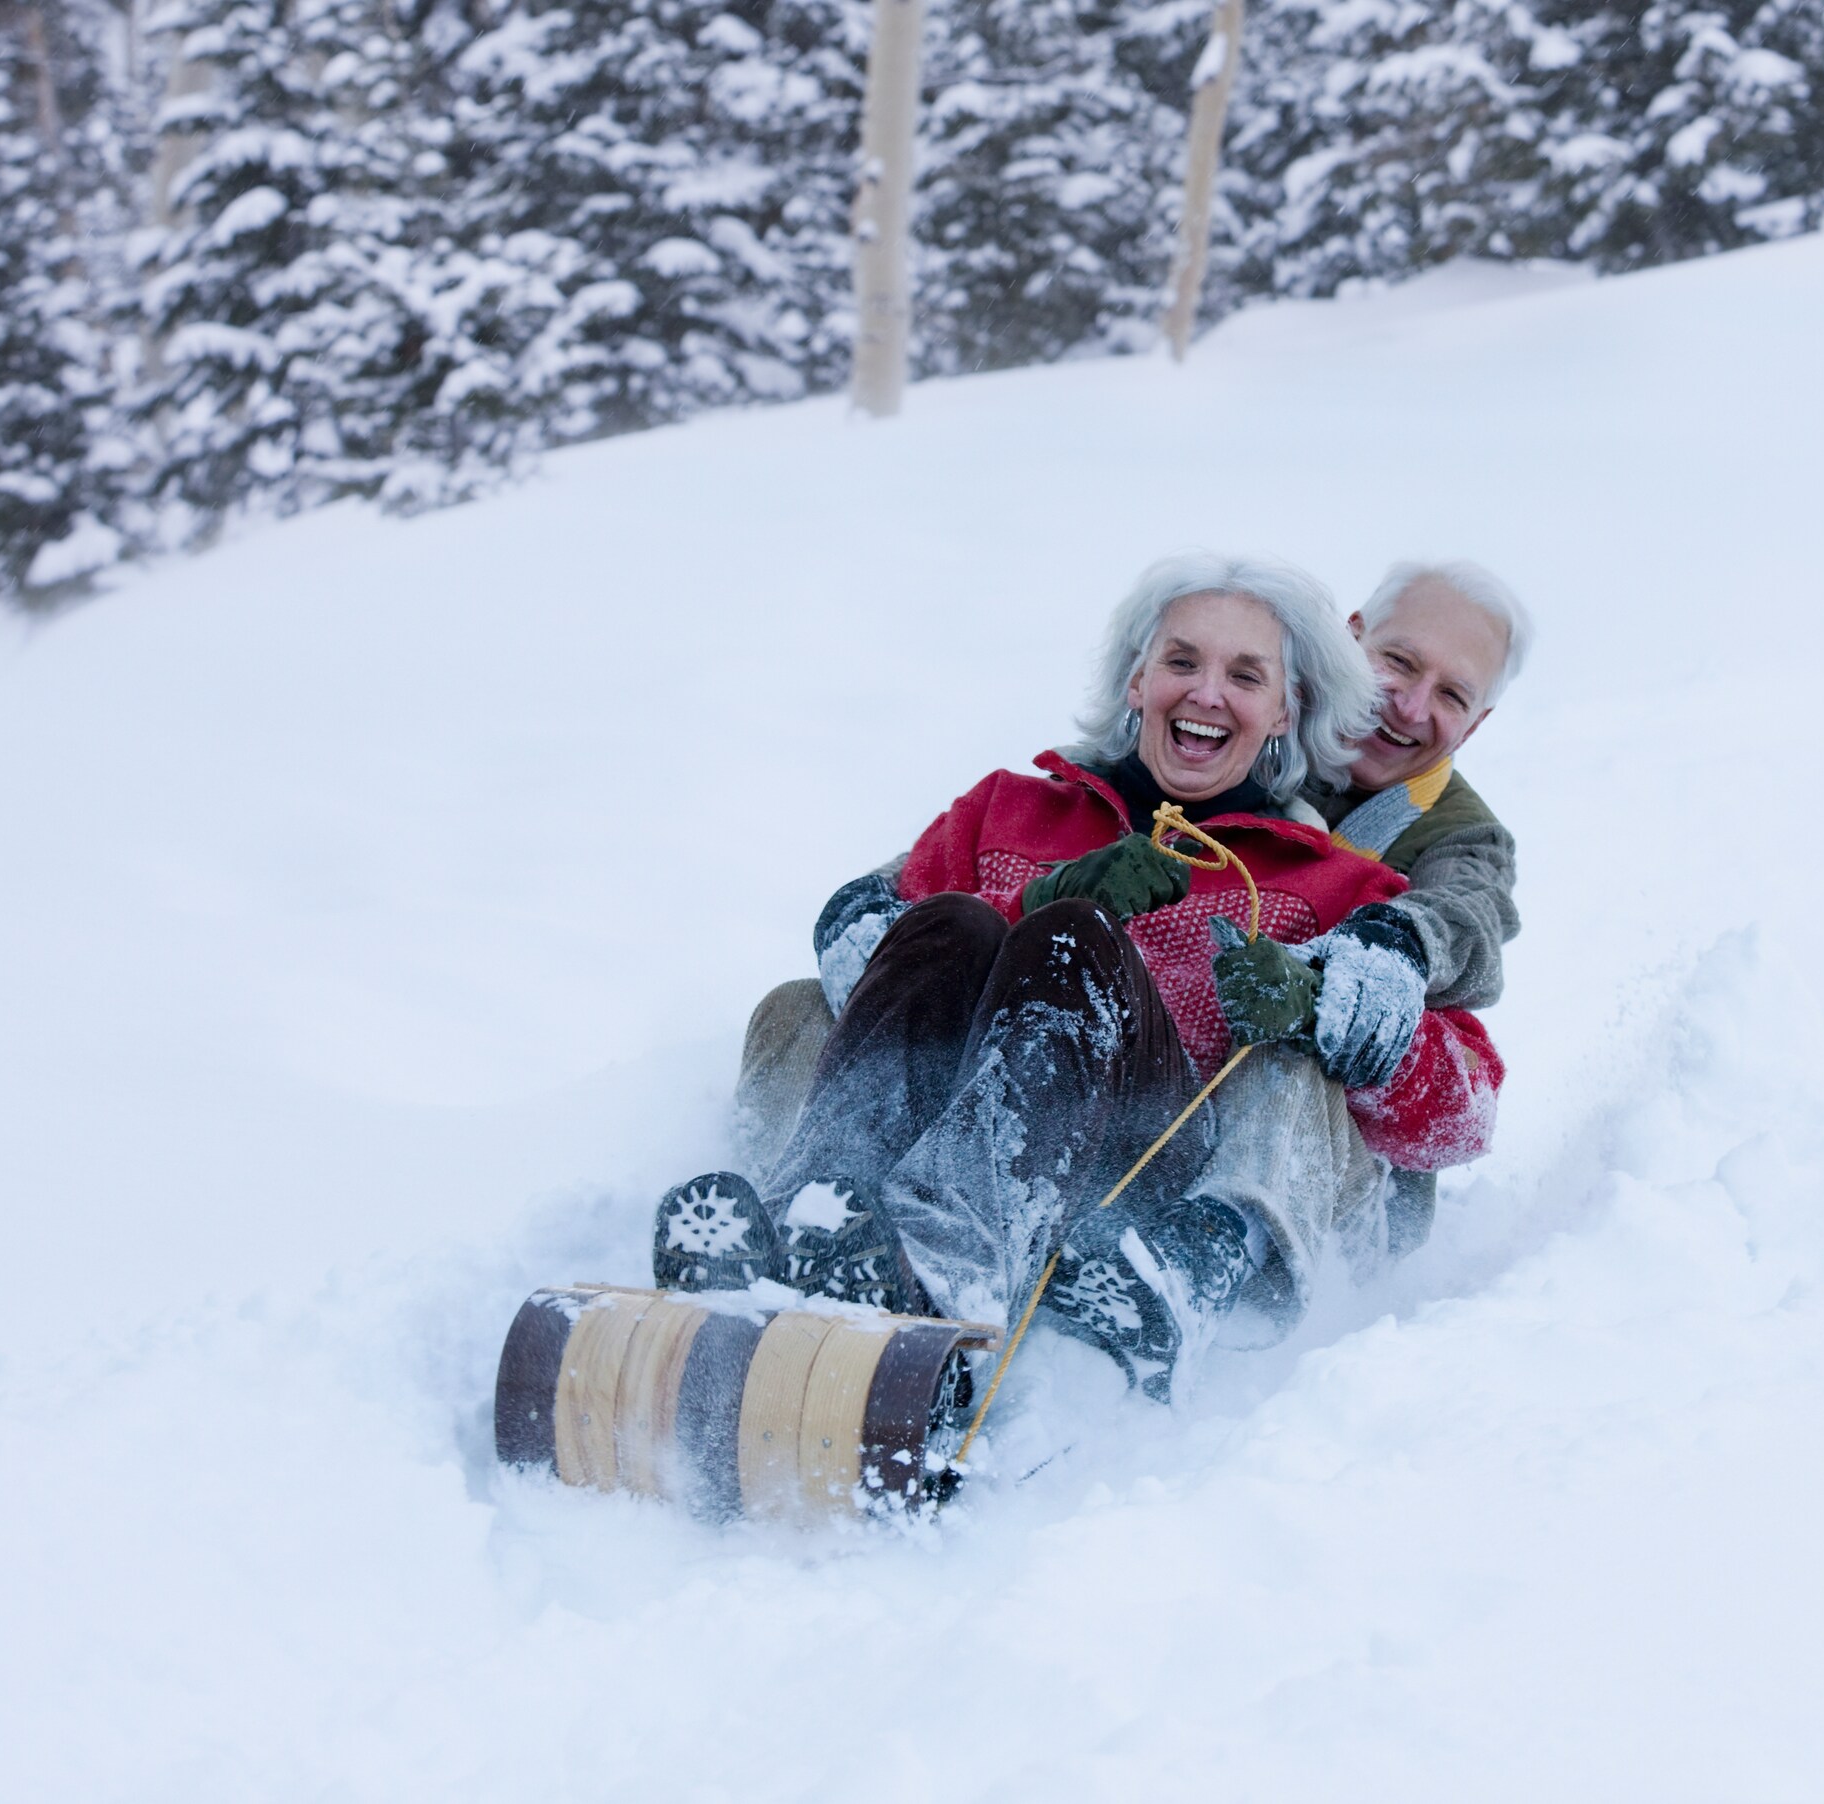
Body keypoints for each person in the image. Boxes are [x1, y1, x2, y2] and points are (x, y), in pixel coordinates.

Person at [655, 554, 1504, 1401]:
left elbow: (1464, 1112)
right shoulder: (1008, 809)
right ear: (1136, 680)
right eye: (1181, 662)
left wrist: (1327, 1004)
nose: (1206, 694)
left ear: (1289, 710)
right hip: (932, 1125)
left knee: (1074, 941)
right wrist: (1028, 895)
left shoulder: (1332, 886)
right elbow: (861, 941)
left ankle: (945, 1271)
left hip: (1131, 1185)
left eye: (1245, 676)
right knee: (939, 928)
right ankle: (800, 1225)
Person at [1305, 560, 1530, 1255]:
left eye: (1452, 694)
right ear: (1350, 639)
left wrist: (1402, 936)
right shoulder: (1250, 740)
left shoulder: (1462, 834)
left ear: (1476, 723)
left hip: (1338, 1176)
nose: (1409, 707)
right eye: (1399, 661)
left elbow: (1473, 914)